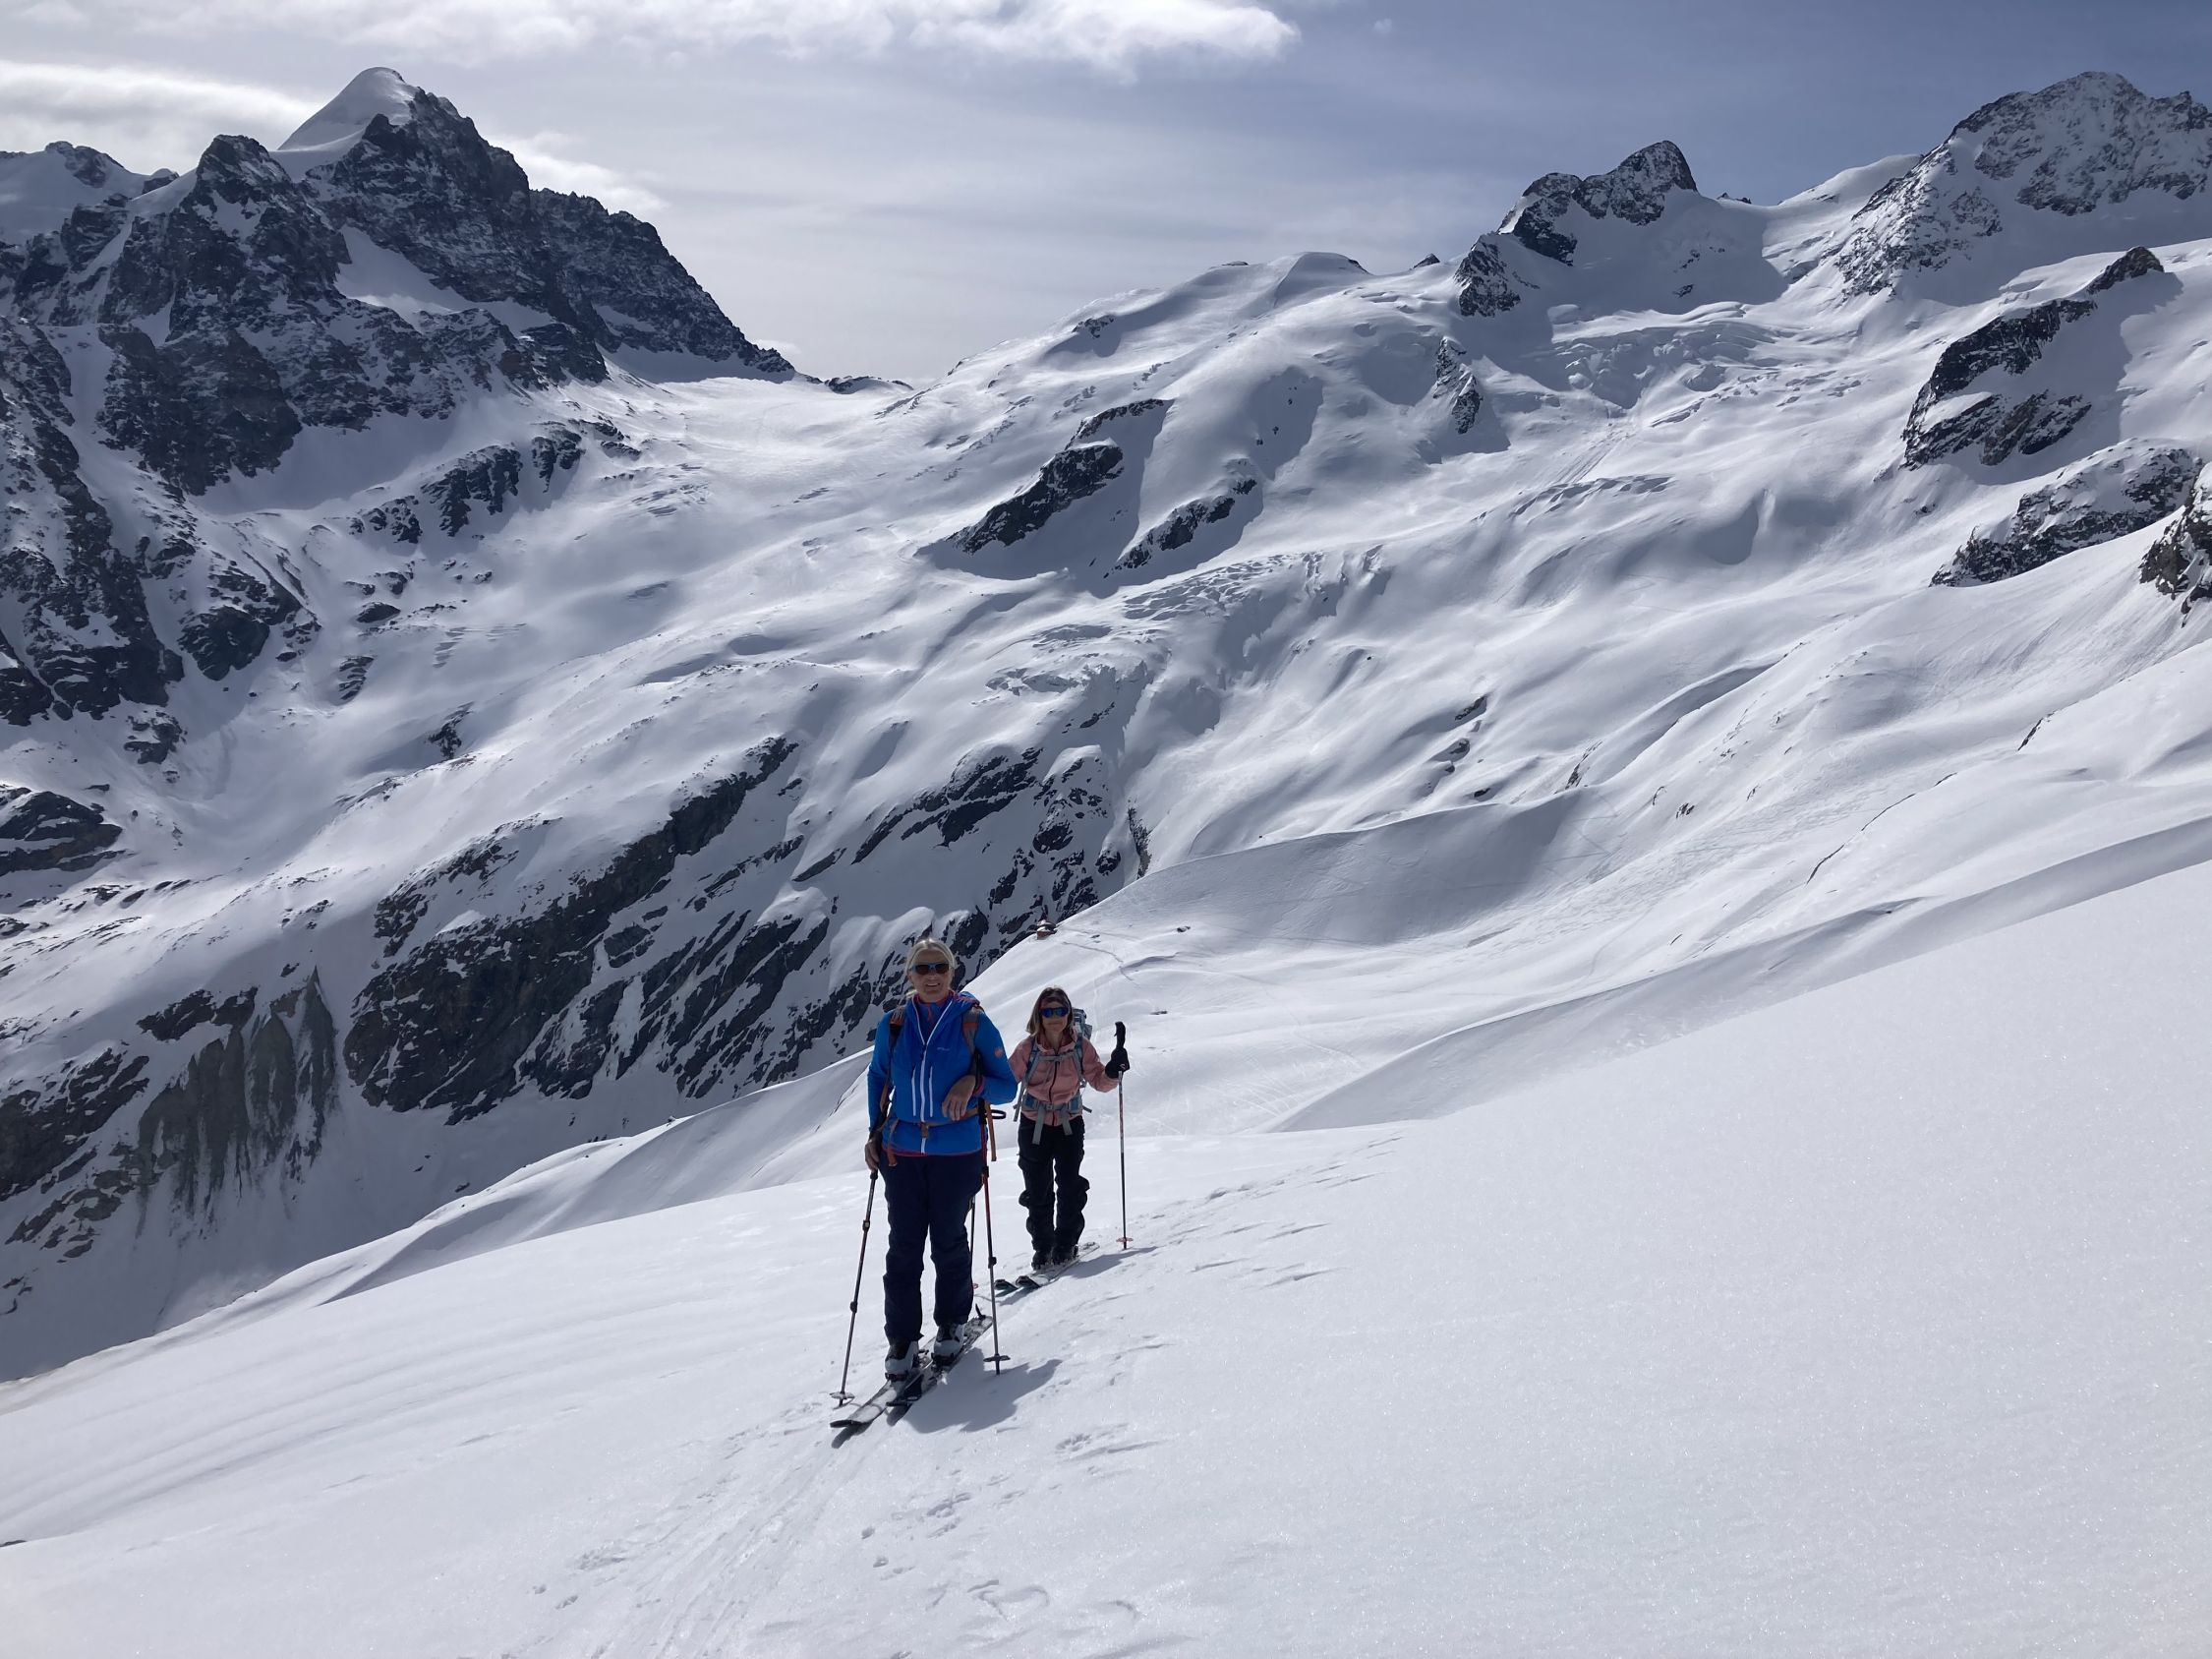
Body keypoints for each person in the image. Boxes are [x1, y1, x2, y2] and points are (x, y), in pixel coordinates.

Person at [865, 938, 1019, 1380]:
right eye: (922, 968)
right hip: (902, 1152)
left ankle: (951, 1322)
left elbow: (1006, 1085)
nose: (931, 976)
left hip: (957, 1151)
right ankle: (903, 1338)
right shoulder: (893, 1025)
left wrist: (972, 1083)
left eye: (940, 968)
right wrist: (874, 1133)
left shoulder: (973, 1022)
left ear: (953, 973)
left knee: (948, 1240)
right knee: (903, 1248)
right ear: (909, 976)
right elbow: (879, 1078)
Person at [1007, 985, 1129, 1273]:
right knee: (1038, 1191)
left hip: (1068, 1125)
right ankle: (1044, 1247)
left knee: (1069, 1186)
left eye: (1060, 1011)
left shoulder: (1079, 1046)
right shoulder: (1027, 1049)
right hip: (1034, 1126)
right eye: (1048, 1012)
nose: (1054, 1017)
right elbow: (1005, 1079)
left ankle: (1065, 1244)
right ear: (1039, 1015)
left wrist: (1113, 1071)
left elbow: (1099, 1080)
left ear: (1067, 1014)